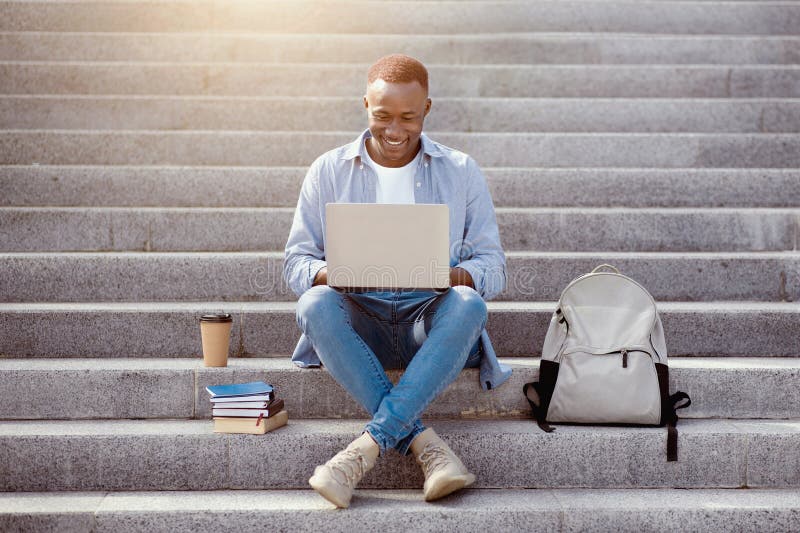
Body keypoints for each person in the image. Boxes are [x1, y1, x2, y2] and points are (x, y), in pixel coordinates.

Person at [283, 54, 512, 508]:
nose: (394, 129)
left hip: (428, 326)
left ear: (428, 109)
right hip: (360, 324)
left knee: (468, 303)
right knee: (313, 304)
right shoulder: (328, 170)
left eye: (408, 117)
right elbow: (296, 264)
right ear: (364, 105)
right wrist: (340, 273)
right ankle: (426, 446)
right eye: (382, 115)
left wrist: (450, 276)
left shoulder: (461, 170)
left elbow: (494, 266)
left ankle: (361, 452)